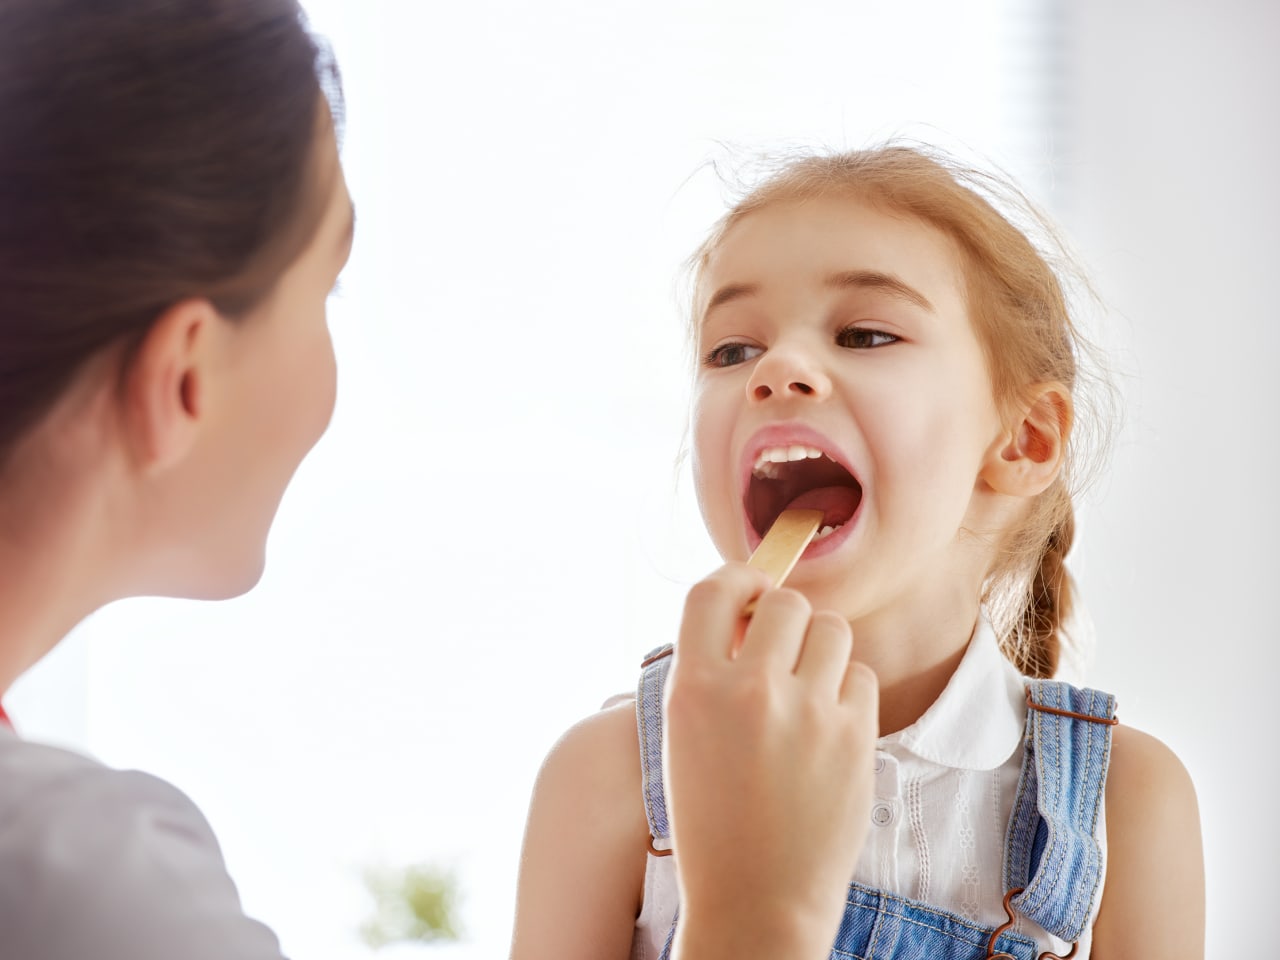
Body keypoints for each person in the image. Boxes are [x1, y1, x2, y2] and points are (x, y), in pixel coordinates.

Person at [0, 3, 876, 959]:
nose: (779, 373)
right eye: (326, 288)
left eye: (867, 335)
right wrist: (759, 913)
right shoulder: (79, 888)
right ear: (186, 378)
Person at [511, 146, 1206, 959]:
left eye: (865, 334)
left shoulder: (1128, 805)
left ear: (1023, 439)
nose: (776, 369)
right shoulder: (605, 778)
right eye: (731, 350)